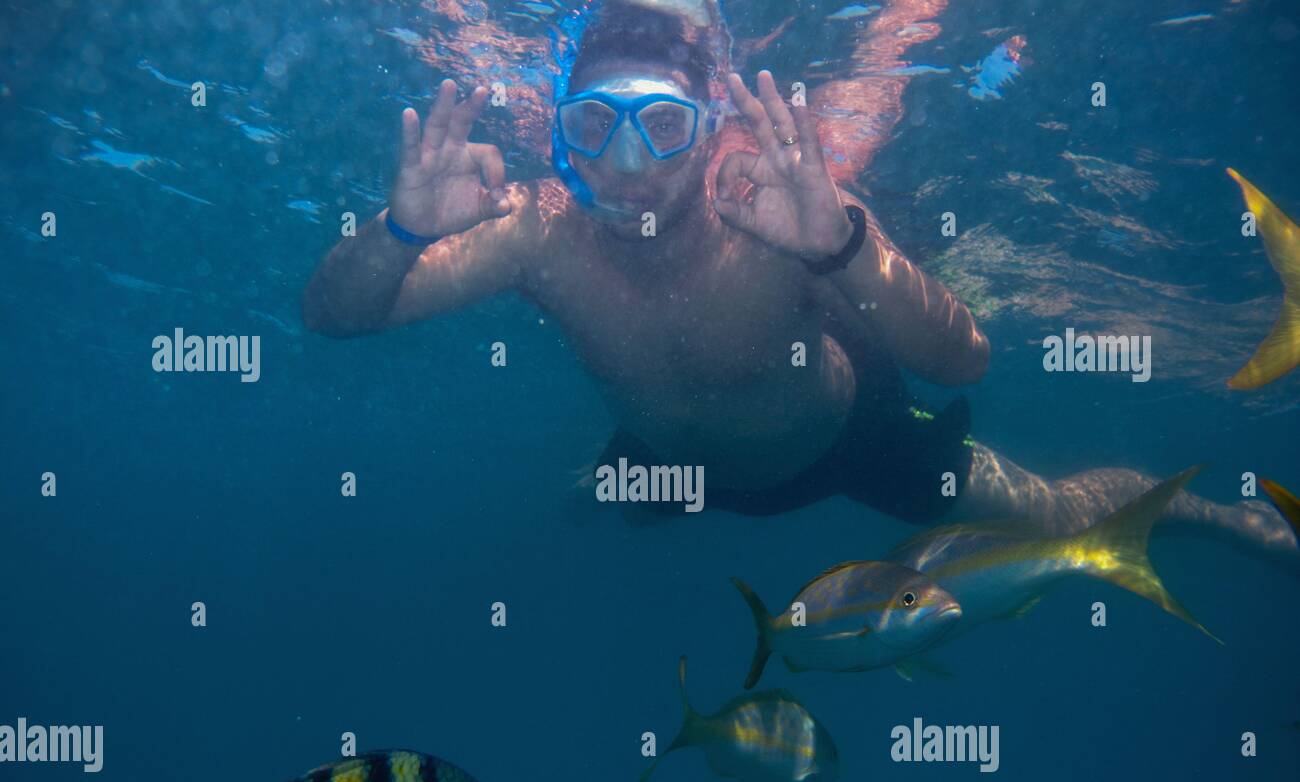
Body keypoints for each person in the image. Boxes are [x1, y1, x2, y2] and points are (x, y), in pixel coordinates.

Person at [303, 2, 1296, 567]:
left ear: (708, 133)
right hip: (676, 470)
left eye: (662, 125)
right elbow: (333, 319)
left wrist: (840, 250)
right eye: (594, 128)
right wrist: (397, 234)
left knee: (1055, 517)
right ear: (560, 138)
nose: (629, 163)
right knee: (595, 501)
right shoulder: (530, 231)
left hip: (847, 445)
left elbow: (967, 359)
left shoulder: (776, 217)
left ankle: (1209, 515)